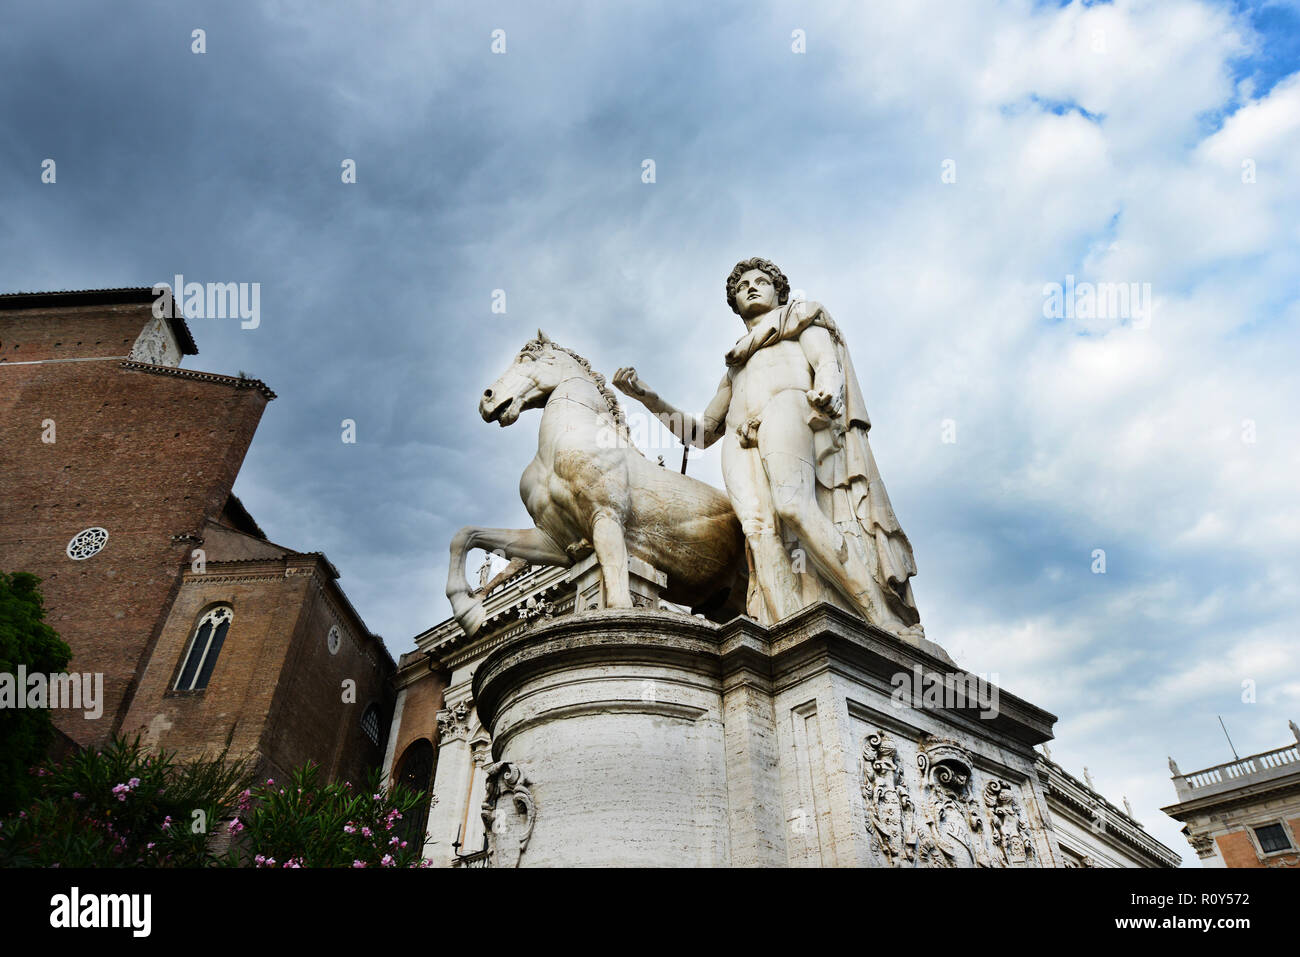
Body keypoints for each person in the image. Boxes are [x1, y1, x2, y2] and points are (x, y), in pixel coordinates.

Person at [614, 257, 923, 639]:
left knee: (793, 507)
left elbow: (826, 362)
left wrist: (828, 387)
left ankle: (879, 616)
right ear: (735, 303)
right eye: (742, 287)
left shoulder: (801, 320)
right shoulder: (735, 366)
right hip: (738, 436)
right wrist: (651, 399)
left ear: (779, 291)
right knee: (758, 531)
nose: (752, 288)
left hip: (787, 408)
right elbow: (702, 433)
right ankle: (784, 629)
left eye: (761, 281)